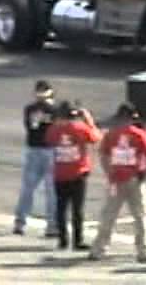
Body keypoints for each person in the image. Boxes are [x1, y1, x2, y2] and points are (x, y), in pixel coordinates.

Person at [89, 103, 146, 263]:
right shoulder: (140, 135)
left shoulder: (111, 135)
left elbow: (103, 156)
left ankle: (98, 249)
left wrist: (109, 173)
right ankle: (144, 251)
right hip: (135, 180)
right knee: (141, 217)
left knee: (108, 216)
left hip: (116, 181)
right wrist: (143, 175)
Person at [45, 101, 101, 250]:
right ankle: (78, 240)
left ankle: (63, 240)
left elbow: (48, 141)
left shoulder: (54, 130)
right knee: (78, 209)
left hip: (60, 173)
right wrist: (89, 120)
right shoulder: (80, 128)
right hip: (78, 173)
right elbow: (96, 137)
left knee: (61, 208)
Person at [14, 80, 59, 237]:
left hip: (38, 149)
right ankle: (50, 225)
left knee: (32, 188)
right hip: (45, 150)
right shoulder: (52, 110)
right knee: (47, 190)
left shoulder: (33, 109)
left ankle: (22, 222)